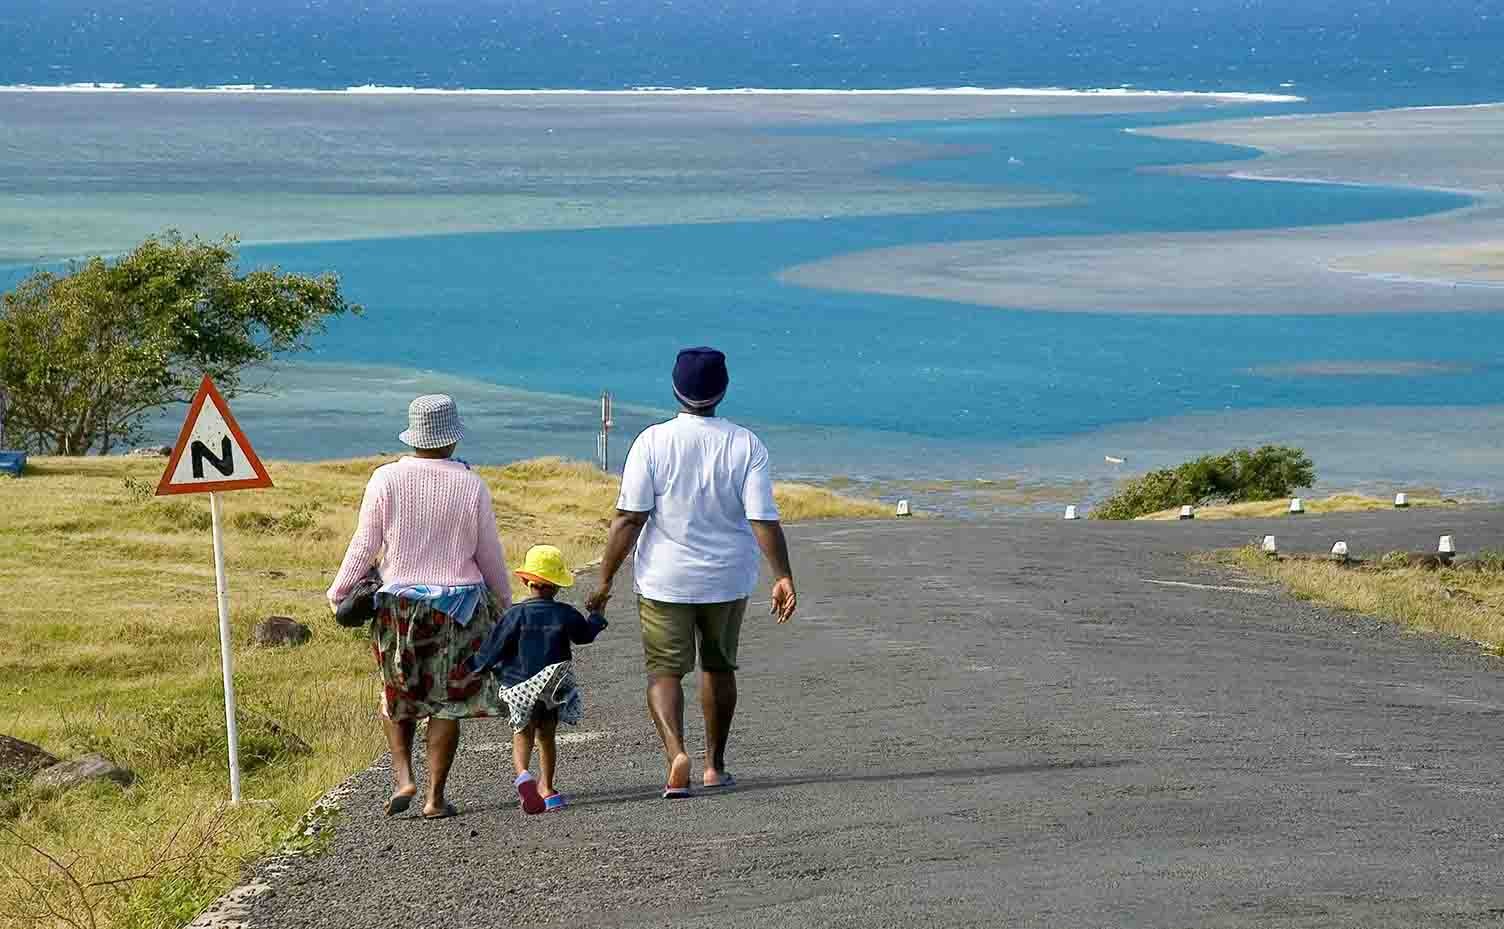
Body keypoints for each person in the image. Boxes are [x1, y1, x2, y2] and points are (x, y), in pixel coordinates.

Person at [586, 347, 797, 799]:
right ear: (722, 389)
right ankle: (714, 767)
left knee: (664, 672)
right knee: (718, 667)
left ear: (676, 389)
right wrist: (783, 574)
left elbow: (629, 518)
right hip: (727, 578)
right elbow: (763, 518)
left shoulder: (652, 442)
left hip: (664, 579)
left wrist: (605, 579)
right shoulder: (745, 444)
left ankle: (675, 754)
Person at [327, 394, 510, 820]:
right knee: (447, 703)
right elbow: (490, 555)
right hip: (459, 610)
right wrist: (503, 603)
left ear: (413, 436)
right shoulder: (471, 484)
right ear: (451, 438)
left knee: (398, 692)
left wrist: (341, 592)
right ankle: (434, 797)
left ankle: (403, 775)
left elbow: (364, 543)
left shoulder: (385, 479)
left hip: (398, 608)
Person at [470, 544, 608, 814]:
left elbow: (491, 650)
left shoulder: (514, 614)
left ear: (525, 580)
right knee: (547, 735)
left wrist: (471, 667)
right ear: (557, 586)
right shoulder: (565, 613)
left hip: (519, 686)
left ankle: (523, 775)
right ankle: (547, 788)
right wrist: (597, 616)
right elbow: (584, 636)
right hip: (551, 689)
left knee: (522, 732)